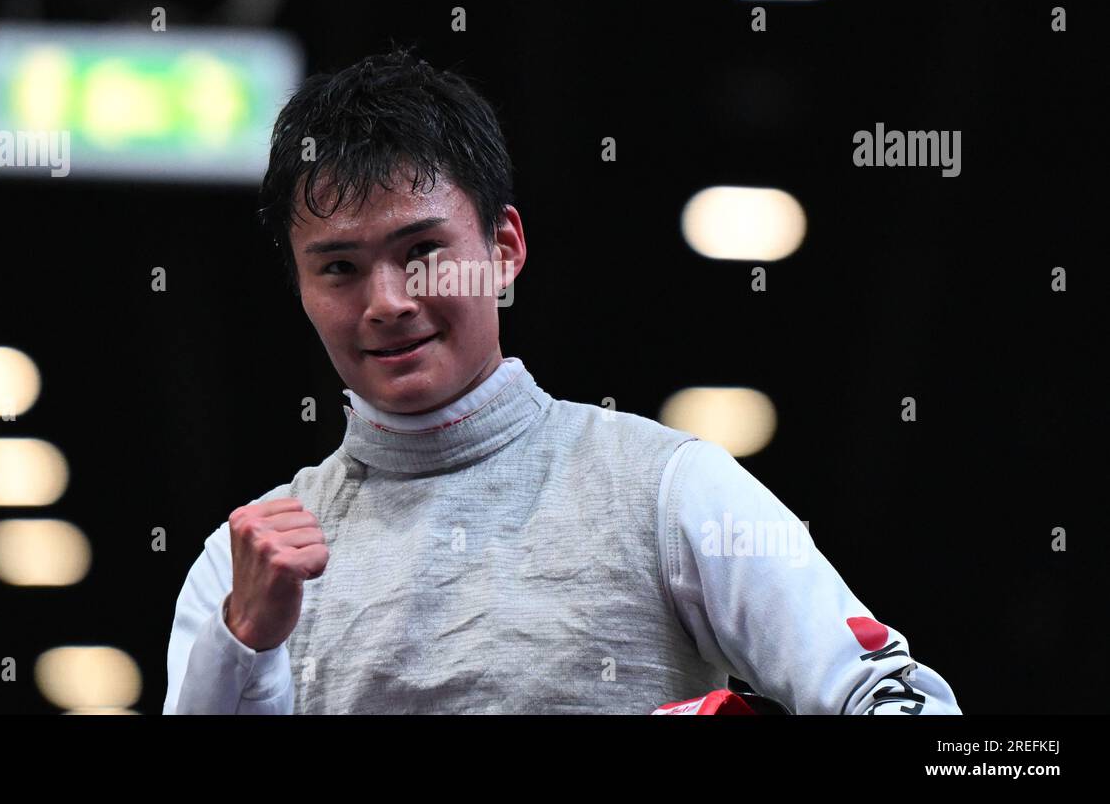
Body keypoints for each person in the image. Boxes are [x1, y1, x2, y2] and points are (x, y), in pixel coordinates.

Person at [163, 49, 962, 715]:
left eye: (422, 251)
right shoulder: (243, 567)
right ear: (299, 286)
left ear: (503, 248)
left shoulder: (664, 488)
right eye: (339, 266)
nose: (388, 302)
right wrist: (246, 641)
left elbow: (892, 697)